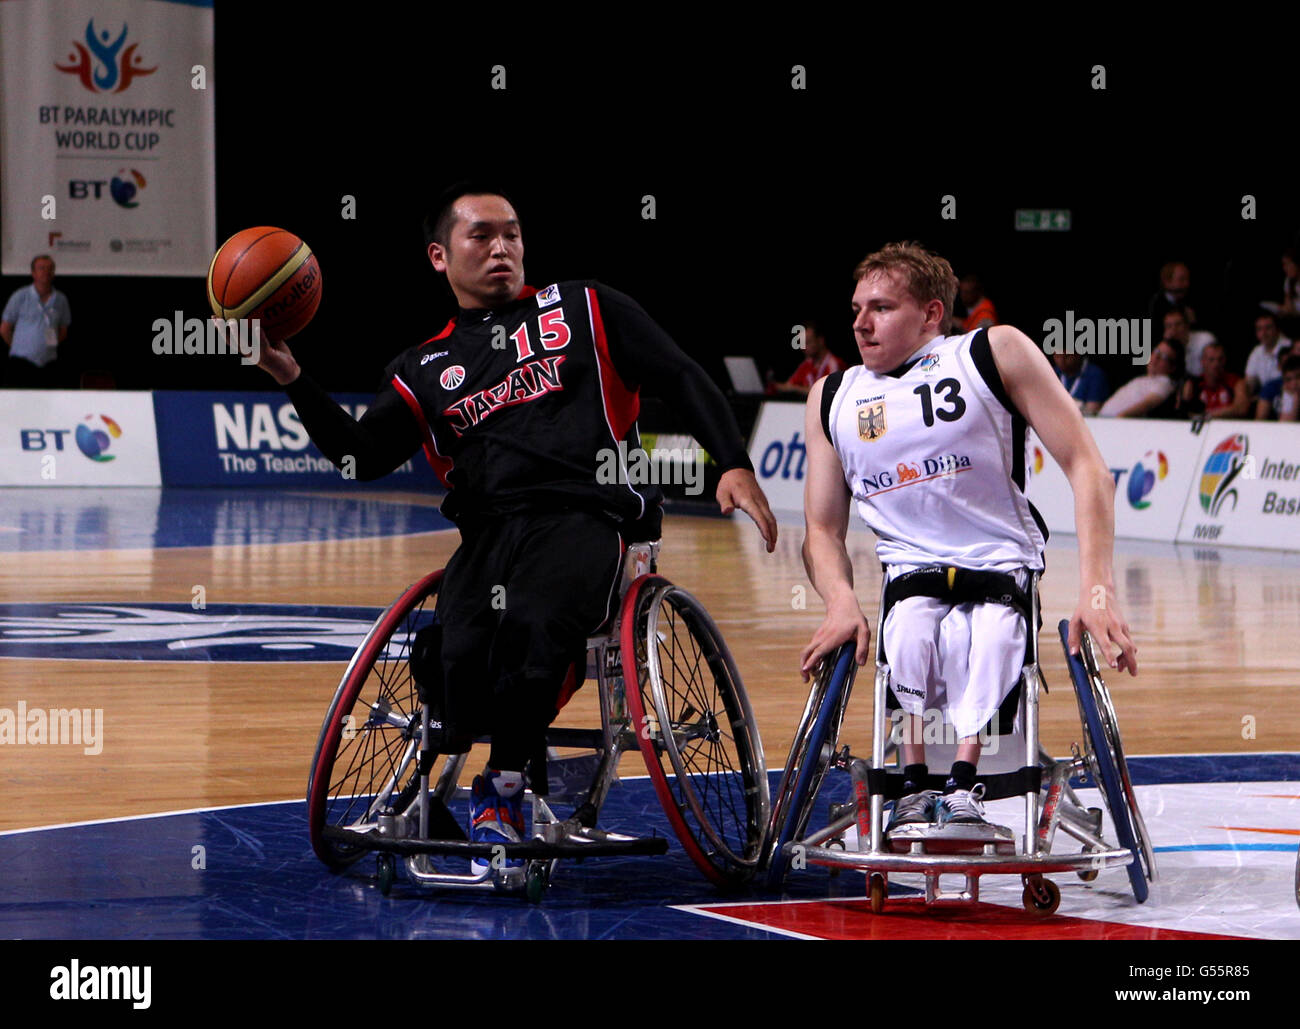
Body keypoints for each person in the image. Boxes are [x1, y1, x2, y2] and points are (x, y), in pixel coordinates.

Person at [248, 184, 776, 869]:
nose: (502, 247)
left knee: (530, 623)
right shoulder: (424, 366)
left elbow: (679, 372)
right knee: (453, 653)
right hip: (491, 533)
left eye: (513, 234)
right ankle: (430, 796)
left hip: (590, 513)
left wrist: (730, 462)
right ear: (439, 256)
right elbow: (361, 455)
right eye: (481, 236)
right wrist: (292, 375)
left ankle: (503, 788)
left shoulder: (585, 306)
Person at [800, 242, 1136, 832]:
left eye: (881, 306)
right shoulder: (832, 396)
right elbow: (822, 530)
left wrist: (1097, 590)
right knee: (906, 641)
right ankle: (909, 789)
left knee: (988, 639)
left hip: (999, 562)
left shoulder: (992, 351)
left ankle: (963, 788)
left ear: (932, 314)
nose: (859, 321)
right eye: (857, 307)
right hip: (909, 572)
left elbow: (1090, 469)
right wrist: (839, 601)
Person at [1, 255, 71, 387]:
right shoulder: (20, 296)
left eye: (50, 269)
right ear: (33, 273)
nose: (46, 272)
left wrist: (46, 346)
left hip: (49, 364)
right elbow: (4, 329)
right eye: (41, 268)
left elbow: (63, 331)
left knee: (48, 405)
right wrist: (20, 346)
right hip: (21, 364)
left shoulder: (61, 300)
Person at [1097, 339, 1183, 417]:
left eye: (1163, 357)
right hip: (1103, 421)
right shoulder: (1144, 379)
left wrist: (1117, 420)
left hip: (1115, 425)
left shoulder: (1164, 383)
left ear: (1173, 367)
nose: (1155, 358)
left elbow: (1146, 405)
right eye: (1156, 351)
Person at [770, 320, 846, 396]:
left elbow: (829, 393)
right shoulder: (806, 364)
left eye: (808, 342)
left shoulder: (834, 364)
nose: (803, 347)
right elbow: (788, 386)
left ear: (820, 340)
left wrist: (795, 388)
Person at [1183, 341, 1251, 419]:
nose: (1216, 364)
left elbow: (1241, 409)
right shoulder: (1193, 384)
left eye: (1220, 359)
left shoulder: (1236, 382)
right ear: (1202, 361)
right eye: (1211, 360)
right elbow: (1185, 412)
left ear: (1225, 361)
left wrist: (1208, 415)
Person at [1244, 310, 1293, 396]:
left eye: (1268, 328)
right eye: (1259, 329)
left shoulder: (1289, 347)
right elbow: (1250, 382)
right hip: (1266, 398)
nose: (1263, 333)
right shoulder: (1257, 351)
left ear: (1278, 329)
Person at [1052, 350, 1109, 416]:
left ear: (1077, 355)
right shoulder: (1053, 373)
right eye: (1058, 356)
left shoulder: (1095, 374)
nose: (1062, 361)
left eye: (1067, 356)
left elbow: (1092, 411)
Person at [1255, 352, 1300, 421]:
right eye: (1288, 379)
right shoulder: (1272, 387)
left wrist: (1295, 398)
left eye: (1298, 377)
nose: (1294, 383)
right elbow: (1260, 419)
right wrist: (1290, 397)